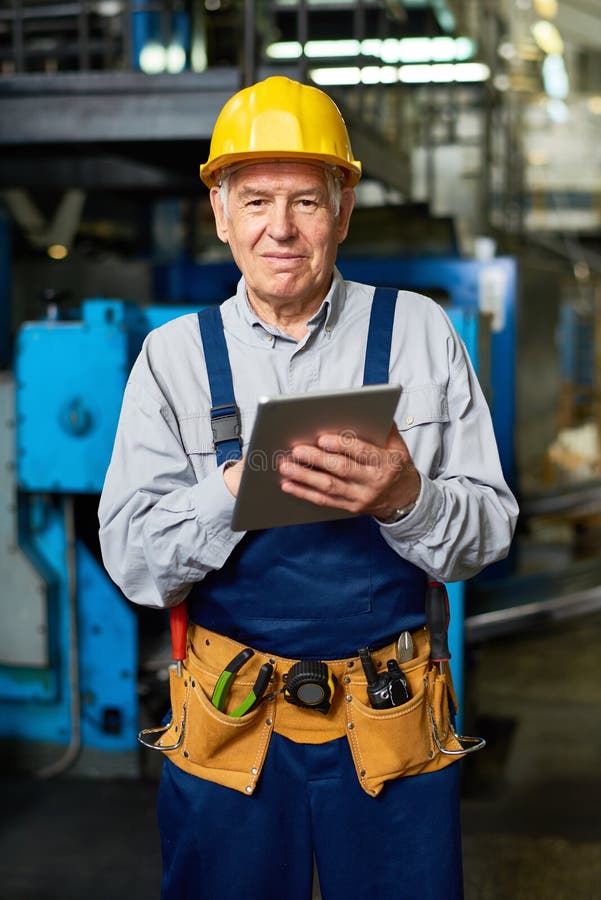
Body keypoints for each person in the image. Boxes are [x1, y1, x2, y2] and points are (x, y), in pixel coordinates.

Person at [98, 76, 518, 900]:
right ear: (220, 212)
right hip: (229, 720)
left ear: (344, 207)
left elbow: (488, 535)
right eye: (254, 201)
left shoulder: (419, 335)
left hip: (391, 716)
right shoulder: (174, 359)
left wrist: (408, 497)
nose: (279, 228)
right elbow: (137, 567)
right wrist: (231, 487)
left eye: (305, 201)